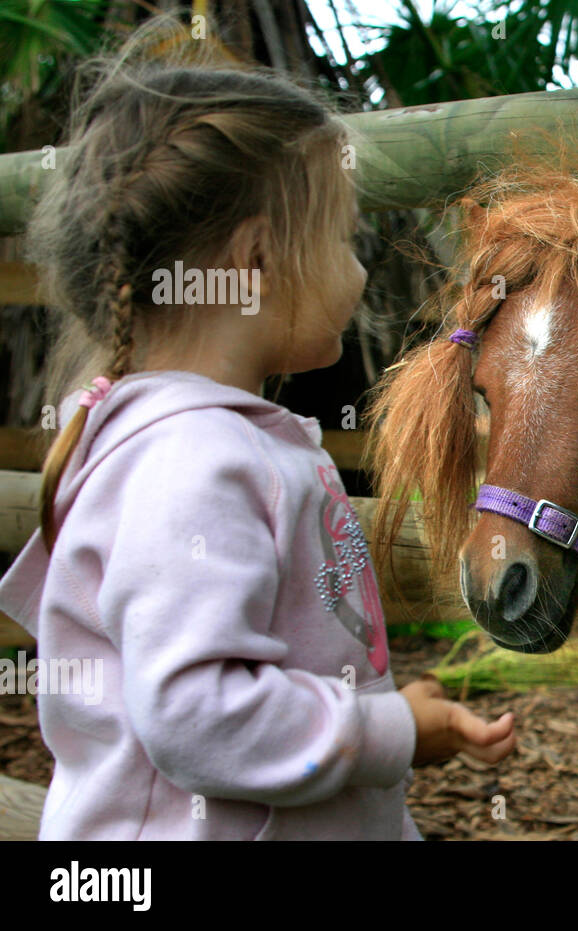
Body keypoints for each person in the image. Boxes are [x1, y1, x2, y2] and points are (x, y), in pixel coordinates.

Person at [0, 18, 515, 840]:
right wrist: (393, 732)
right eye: (344, 240)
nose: (357, 271)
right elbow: (198, 715)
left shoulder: (198, 440)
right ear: (254, 263)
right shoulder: (191, 461)